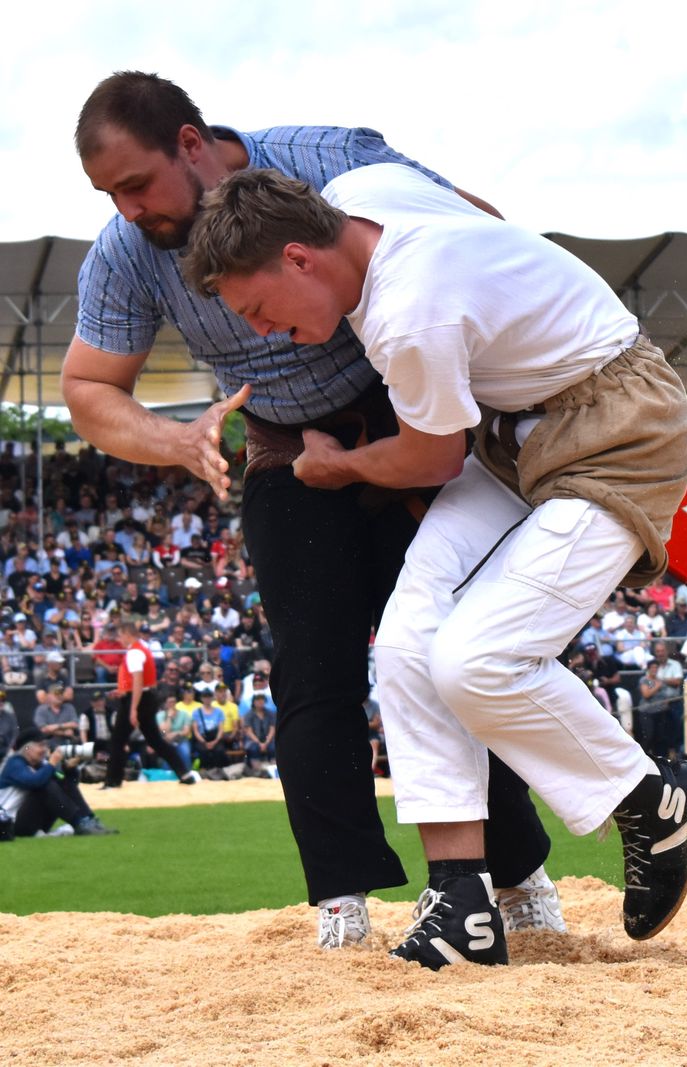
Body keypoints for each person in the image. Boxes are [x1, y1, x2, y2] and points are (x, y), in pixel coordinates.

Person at [62, 71, 564, 948]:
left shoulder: (329, 161)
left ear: (190, 142)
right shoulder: (122, 253)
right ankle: (341, 899)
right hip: (287, 448)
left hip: (418, 421)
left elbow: (475, 230)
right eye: (110, 195)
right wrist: (176, 439)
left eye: (135, 184)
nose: (129, 210)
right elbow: (88, 386)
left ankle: (514, 875)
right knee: (310, 672)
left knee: (451, 656)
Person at [181, 161, 687, 970]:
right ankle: (460, 897)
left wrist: (333, 466)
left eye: (257, 308)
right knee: (402, 646)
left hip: (617, 431)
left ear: (297, 258)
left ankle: (647, 797)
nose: (260, 331)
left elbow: (428, 460)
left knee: (477, 660)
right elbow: (476, 207)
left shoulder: (408, 313)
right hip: (518, 437)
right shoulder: (360, 193)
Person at [103, 620, 196, 788]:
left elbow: (138, 681)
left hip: (137, 698)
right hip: (145, 697)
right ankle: (184, 772)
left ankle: (112, 781)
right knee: (155, 740)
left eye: (121, 635)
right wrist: (122, 691)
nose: (119, 639)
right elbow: (139, 681)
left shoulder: (134, 653)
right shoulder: (142, 649)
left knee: (117, 740)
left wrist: (132, 709)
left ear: (128, 634)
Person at [0, 727, 116, 837]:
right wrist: (52, 763)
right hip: (10, 824)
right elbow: (35, 782)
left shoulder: (41, 764)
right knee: (46, 785)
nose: (45, 749)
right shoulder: (14, 764)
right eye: (41, 745)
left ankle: (88, 820)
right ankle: (79, 824)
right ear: (26, 748)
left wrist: (68, 768)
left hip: (35, 821)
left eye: (45, 745)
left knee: (59, 782)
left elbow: (66, 784)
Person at [242, 692, 276, 772]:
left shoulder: (270, 713)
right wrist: (259, 743)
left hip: (268, 739)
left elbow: (272, 729)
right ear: (254, 702)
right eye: (258, 700)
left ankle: (273, 769)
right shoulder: (248, 714)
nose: (261, 702)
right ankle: (257, 770)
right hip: (253, 739)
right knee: (253, 748)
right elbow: (248, 731)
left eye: (262, 700)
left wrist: (266, 742)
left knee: (274, 747)